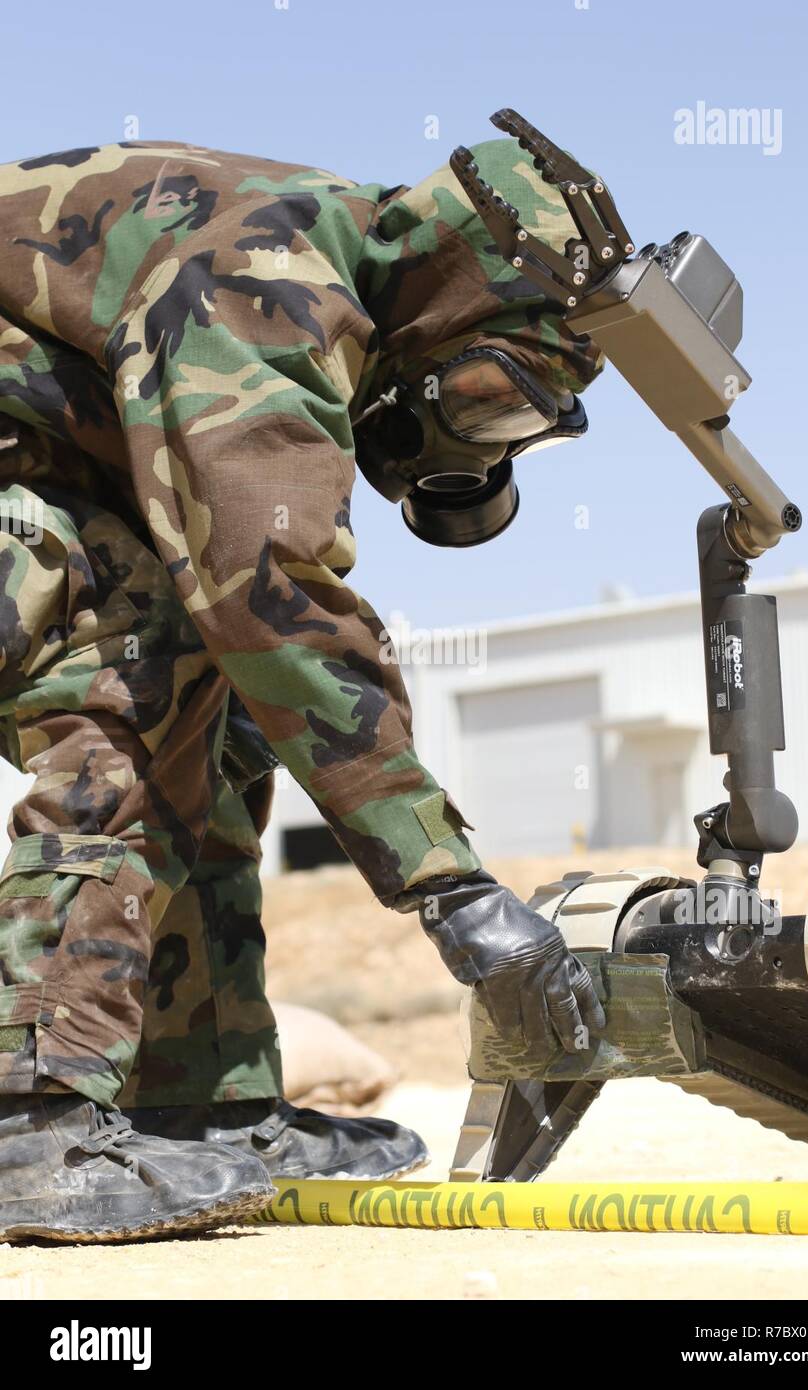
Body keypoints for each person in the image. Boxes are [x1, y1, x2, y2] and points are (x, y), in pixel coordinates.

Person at [0, 126, 604, 1241]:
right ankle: (30, 1118)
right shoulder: (269, 276)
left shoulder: (312, 262)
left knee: (210, 683)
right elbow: (269, 591)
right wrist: (451, 886)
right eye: (484, 397)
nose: (471, 439)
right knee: (142, 655)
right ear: (446, 293)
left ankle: (201, 1101)